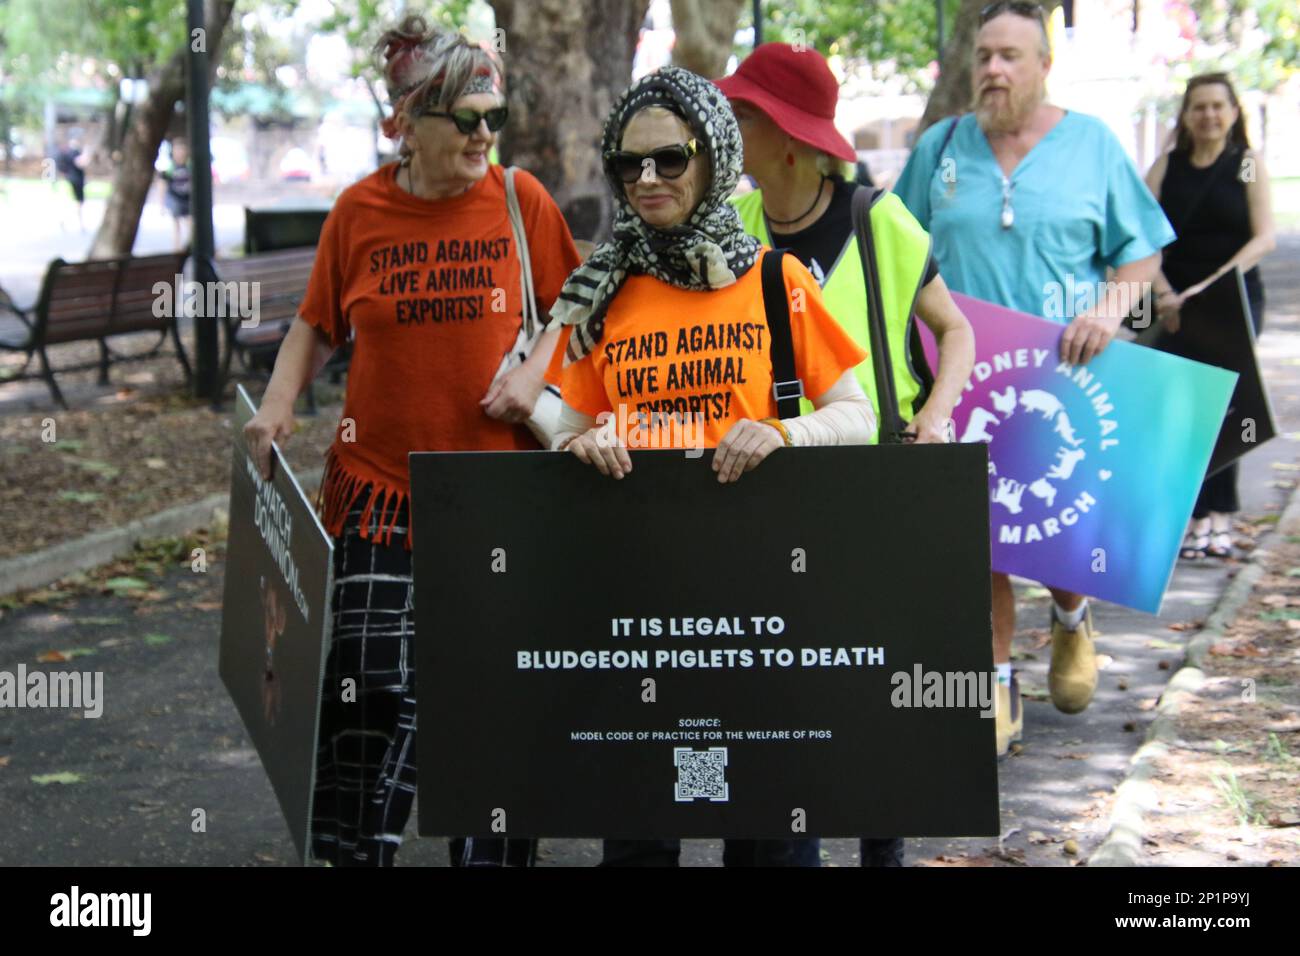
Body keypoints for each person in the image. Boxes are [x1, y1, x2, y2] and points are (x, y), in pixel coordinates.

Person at [242, 13, 583, 866]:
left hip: (499, 494)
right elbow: (316, 323)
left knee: (492, 686)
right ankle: (358, 848)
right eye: (462, 119)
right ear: (407, 122)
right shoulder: (358, 212)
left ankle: (493, 851)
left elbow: (577, 311)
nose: (481, 136)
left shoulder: (520, 200)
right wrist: (277, 407)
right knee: (367, 680)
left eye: (491, 118)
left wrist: (537, 374)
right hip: (381, 486)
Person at [547, 65, 875, 867]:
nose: (648, 179)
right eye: (629, 164)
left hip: (762, 611)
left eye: (671, 157)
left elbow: (858, 416)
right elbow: (569, 424)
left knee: (772, 843)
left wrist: (784, 435)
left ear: (715, 155)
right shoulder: (605, 292)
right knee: (637, 844)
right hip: (638, 610)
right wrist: (574, 443)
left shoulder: (776, 281)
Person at [716, 42, 976, 867]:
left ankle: (881, 853)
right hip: (767, 489)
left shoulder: (879, 220)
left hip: (874, 491)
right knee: (789, 691)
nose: (727, 123)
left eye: (744, 114)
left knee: (874, 700)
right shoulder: (735, 229)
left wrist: (936, 412)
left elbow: (955, 330)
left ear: (788, 136)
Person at [894, 1, 1175, 755]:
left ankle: (1073, 617)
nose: (992, 69)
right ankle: (994, 694)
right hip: (965, 375)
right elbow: (893, 246)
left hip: (1065, 378)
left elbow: (1140, 254)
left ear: (1044, 65)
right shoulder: (940, 148)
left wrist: (1112, 311)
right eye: (983, 55)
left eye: (1010, 56)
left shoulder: (1093, 146)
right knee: (980, 540)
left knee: (1052, 530)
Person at [1145, 73, 1277, 560]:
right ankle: (1190, 518)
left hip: (1230, 300)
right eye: (1199, 107)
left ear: (1234, 112)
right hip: (1171, 304)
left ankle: (1219, 519)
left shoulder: (1244, 166)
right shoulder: (1167, 167)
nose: (1209, 116)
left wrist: (1211, 286)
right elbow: (1140, 236)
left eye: (1218, 106)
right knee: (1180, 411)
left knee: (1225, 406)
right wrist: (1164, 294)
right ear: (1185, 115)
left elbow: (1263, 237)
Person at [159, 139, 192, 251]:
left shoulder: (190, 165)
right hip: (175, 199)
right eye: (177, 150)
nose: (180, 152)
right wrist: (162, 204)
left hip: (187, 199)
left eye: (182, 149)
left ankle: (189, 248)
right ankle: (176, 249)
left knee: (191, 225)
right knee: (176, 226)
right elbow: (162, 185)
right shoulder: (169, 167)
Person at [53, 137, 89, 232]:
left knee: (75, 202)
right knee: (78, 203)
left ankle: (66, 221)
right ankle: (79, 224)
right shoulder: (75, 152)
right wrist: (86, 153)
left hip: (70, 179)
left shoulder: (68, 153)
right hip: (76, 180)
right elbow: (81, 163)